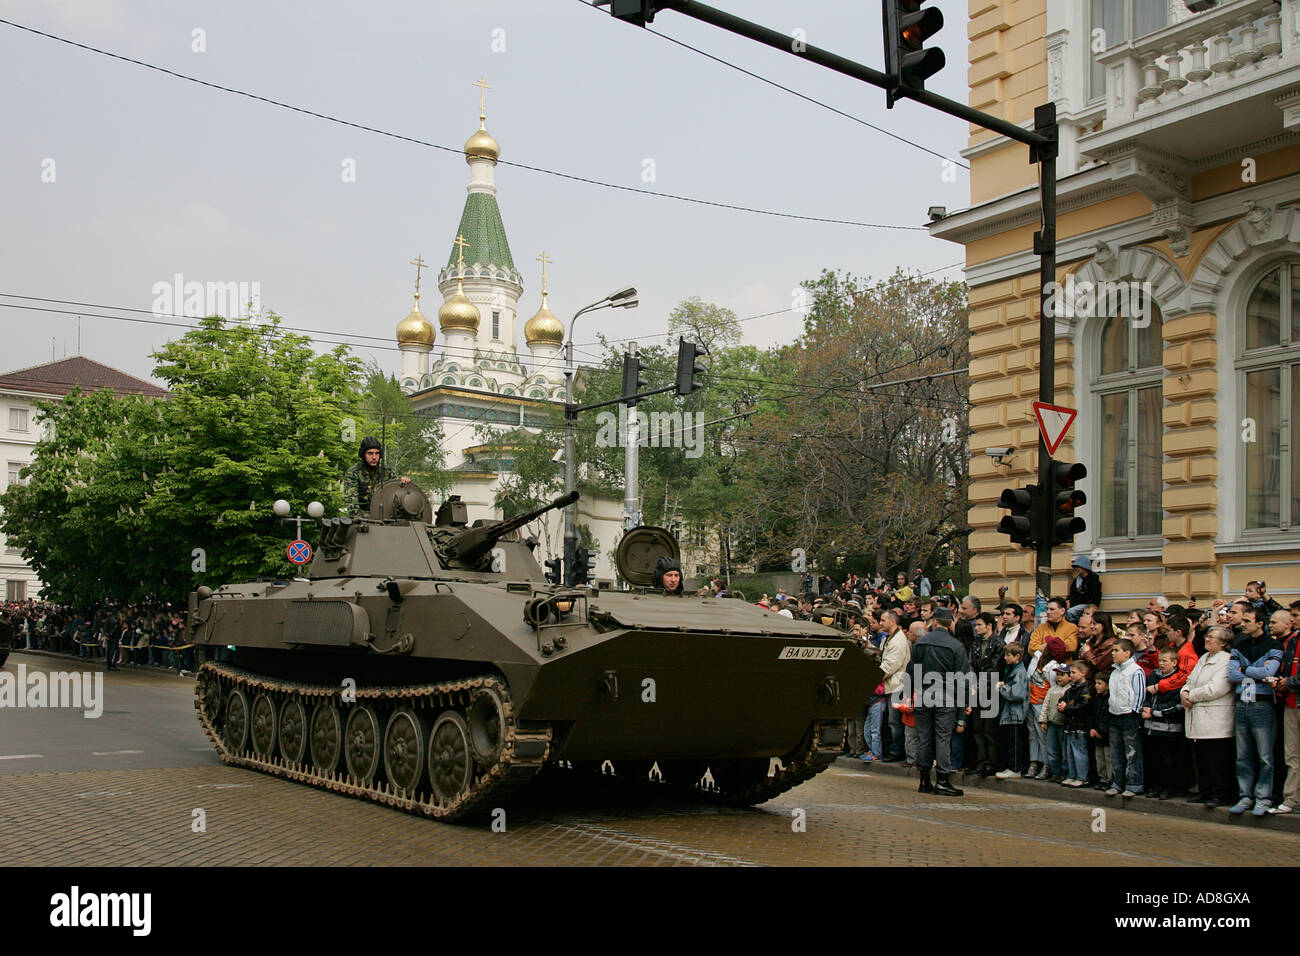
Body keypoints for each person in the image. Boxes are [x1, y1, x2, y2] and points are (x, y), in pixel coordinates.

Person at [909, 607, 972, 797]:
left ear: (934, 622)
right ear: (950, 623)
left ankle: (924, 780)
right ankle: (943, 780)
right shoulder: (956, 646)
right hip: (946, 696)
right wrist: (964, 705)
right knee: (943, 739)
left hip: (923, 694)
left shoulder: (921, 643)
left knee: (924, 738)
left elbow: (911, 672)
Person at [1227, 605, 1282, 815]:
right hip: (1242, 703)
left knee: (1265, 756)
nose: (1242, 624)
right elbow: (1232, 674)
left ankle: (1263, 797)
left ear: (1260, 623)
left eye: (1247, 621)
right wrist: (1255, 673)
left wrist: (1245, 669)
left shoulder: (1272, 645)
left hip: (1262, 704)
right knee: (1243, 755)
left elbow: (1270, 671)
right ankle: (1245, 795)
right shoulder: (1239, 644)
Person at [1181, 626, 1237, 810]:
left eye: (1212, 637)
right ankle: (1205, 792)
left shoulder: (1226, 660)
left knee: (1217, 760)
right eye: (1207, 636)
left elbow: (1218, 688)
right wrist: (1184, 693)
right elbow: (1189, 680)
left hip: (1216, 718)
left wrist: (1191, 696)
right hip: (1197, 715)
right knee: (1202, 759)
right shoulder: (1204, 658)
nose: (1207, 639)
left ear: (1223, 643)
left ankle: (1222, 794)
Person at [1265, 609, 1300, 813]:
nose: (1293, 619)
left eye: (1295, 615)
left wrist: (1288, 682)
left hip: (1293, 695)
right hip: (1291, 703)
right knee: (1292, 755)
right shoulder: (1294, 641)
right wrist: (1280, 681)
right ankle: (1291, 800)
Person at [1142, 648, 1187, 799]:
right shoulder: (1154, 675)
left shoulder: (1178, 678)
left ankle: (1169, 788)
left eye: (1165, 661)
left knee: (1168, 760)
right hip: (1151, 727)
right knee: (1154, 759)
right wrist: (1146, 707)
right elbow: (1147, 694)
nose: (1161, 663)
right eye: (1160, 660)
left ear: (1174, 662)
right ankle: (1156, 786)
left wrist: (1153, 711)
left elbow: (1176, 704)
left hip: (1169, 727)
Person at [1107, 638, 1147, 797]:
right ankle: (1118, 782)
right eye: (1113, 650)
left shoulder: (1136, 671)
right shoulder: (1115, 672)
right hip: (1114, 714)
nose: (1113, 653)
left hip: (1128, 716)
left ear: (1127, 653)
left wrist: (1134, 712)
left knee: (1132, 752)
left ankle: (1134, 784)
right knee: (1116, 752)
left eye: (1116, 650)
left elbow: (1139, 693)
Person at [970, 611, 1003, 776]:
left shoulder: (998, 644)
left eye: (979, 625)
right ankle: (981, 761)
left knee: (990, 729)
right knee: (977, 729)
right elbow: (970, 664)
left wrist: (979, 685)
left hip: (991, 692)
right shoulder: (975, 643)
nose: (976, 628)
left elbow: (994, 669)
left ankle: (991, 762)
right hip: (976, 690)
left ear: (989, 626)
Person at [344, 437, 410, 515]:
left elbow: (396, 494)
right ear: (363, 455)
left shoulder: (386, 471)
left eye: (377, 453)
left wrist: (403, 483)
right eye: (370, 453)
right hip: (362, 516)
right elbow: (352, 504)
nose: (374, 457)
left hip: (385, 514)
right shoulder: (354, 472)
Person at [878, 609, 911, 763]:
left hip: (897, 686)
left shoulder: (898, 641)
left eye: (883, 620)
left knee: (894, 721)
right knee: (891, 721)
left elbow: (890, 666)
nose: (880, 623)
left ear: (892, 622)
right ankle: (892, 748)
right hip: (891, 685)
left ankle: (896, 751)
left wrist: (874, 676)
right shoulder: (888, 639)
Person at [994, 643, 1028, 779]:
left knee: (1014, 743)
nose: (1005, 658)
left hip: (1015, 714)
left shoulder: (1019, 672)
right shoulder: (1013, 669)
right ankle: (1010, 766)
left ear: (1017, 656)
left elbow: (1017, 693)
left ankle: (1015, 768)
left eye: (1008, 655)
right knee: (1009, 741)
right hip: (1010, 713)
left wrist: (1002, 688)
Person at [1059, 660, 1093, 787]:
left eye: (1073, 672)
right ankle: (1071, 774)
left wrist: (1066, 708)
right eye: (1070, 672)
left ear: (1083, 673)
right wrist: (1061, 705)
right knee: (1069, 753)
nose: (1071, 675)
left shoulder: (1086, 689)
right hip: (1069, 725)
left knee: (1079, 753)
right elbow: (1063, 699)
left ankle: (1082, 777)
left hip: (1079, 726)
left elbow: (1084, 706)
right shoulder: (1071, 689)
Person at [1039, 666, 1072, 782]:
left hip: (1063, 723)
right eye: (1057, 675)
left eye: (1062, 675)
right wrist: (1043, 720)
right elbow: (1045, 706)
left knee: (1064, 750)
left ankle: (1065, 772)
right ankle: (1055, 772)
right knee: (1052, 749)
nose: (1059, 677)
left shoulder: (1069, 690)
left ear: (1069, 676)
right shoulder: (1052, 690)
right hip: (1052, 723)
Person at [1089, 671, 1112, 790]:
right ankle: (1102, 778)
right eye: (1095, 683)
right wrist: (1092, 728)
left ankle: (1110, 779)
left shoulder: (1109, 699)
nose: (1096, 686)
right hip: (1096, 732)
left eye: (1100, 683)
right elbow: (1092, 715)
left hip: (1105, 735)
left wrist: (1101, 731)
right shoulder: (1096, 698)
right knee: (1099, 758)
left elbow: (1107, 717)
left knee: (1108, 757)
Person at [1066, 555, 1101, 623]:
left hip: (1088, 605)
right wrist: (1068, 601)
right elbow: (1072, 593)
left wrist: (1072, 601)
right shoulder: (1076, 580)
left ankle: (1075, 626)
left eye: (1078, 567)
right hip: (1076, 604)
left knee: (1071, 612)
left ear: (1084, 567)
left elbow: (1091, 598)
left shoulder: (1093, 580)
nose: (1076, 569)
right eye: (1075, 567)